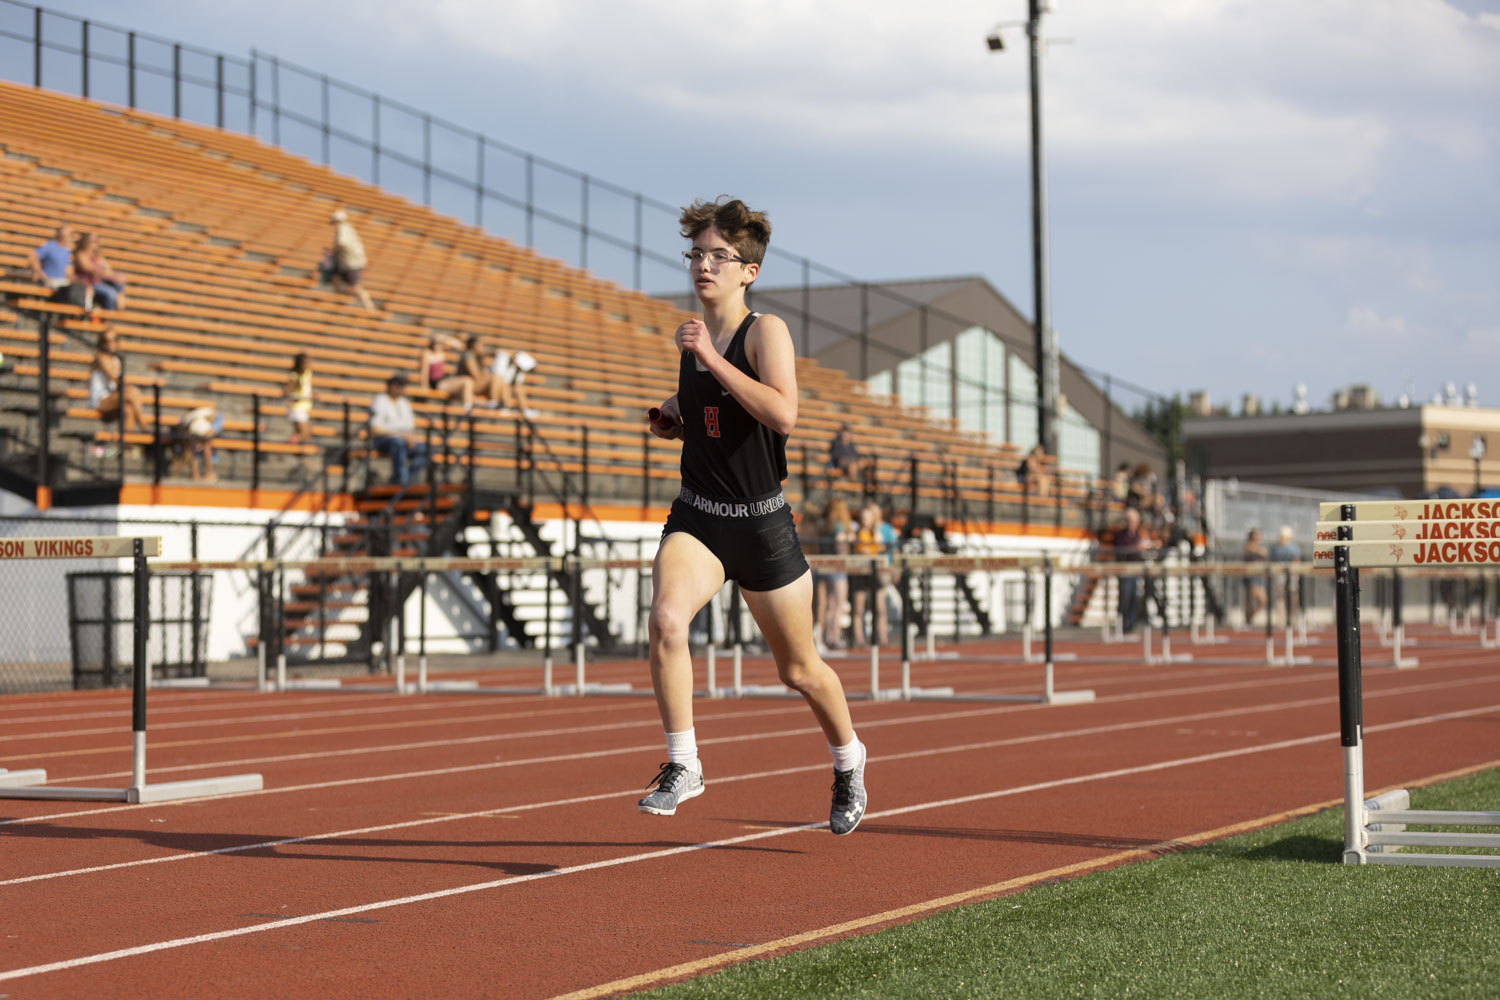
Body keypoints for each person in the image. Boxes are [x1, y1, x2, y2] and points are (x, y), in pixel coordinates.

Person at [640, 196, 867, 835]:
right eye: (697, 254)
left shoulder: (764, 331)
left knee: (798, 670)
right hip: (700, 518)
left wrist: (710, 362)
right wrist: (674, 417)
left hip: (762, 525)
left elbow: (782, 413)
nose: (704, 265)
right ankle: (684, 763)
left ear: (749, 271)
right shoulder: (692, 338)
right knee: (665, 618)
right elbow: (710, 408)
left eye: (720, 256)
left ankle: (849, 760)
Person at [368, 372, 427, 485]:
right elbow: (375, 429)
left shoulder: (404, 403)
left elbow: (410, 428)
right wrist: (401, 435)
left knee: (426, 449)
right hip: (384, 440)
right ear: (391, 386)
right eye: (399, 385)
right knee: (398, 443)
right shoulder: (380, 400)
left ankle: (408, 480)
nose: (402, 389)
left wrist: (411, 437)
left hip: (403, 440)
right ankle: (401, 481)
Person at [849, 501, 893, 648]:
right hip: (861, 572)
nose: (865, 520)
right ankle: (859, 640)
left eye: (867, 517)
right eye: (863, 517)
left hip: (875, 573)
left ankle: (883, 638)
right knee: (858, 608)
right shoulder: (858, 534)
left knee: (880, 608)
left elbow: (879, 550)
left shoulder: (876, 533)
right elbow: (862, 551)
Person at [86, 328, 145, 434]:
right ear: (101, 343)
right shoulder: (101, 357)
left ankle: (127, 447)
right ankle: (145, 429)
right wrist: (130, 389)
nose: (110, 344)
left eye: (113, 340)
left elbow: (117, 382)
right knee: (132, 393)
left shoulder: (116, 359)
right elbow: (114, 377)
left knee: (128, 409)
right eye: (106, 341)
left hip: (112, 398)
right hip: (100, 400)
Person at [818, 496, 855, 649]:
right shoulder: (839, 526)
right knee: (839, 603)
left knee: (829, 605)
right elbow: (841, 547)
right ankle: (834, 636)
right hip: (837, 568)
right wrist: (848, 542)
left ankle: (827, 636)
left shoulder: (824, 525)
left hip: (824, 567)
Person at [1113, 507, 1153, 633]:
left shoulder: (1138, 535)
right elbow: (1121, 550)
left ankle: (1131, 623)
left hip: (1135, 571)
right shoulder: (1120, 535)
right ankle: (1123, 624)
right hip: (1124, 571)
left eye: (1135, 522)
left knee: (1133, 598)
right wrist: (1136, 547)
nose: (1133, 524)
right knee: (1124, 597)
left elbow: (1138, 553)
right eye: (1130, 521)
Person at [328, 210, 375, 312]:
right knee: (336, 279)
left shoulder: (343, 228)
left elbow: (342, 243)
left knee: (356, 287)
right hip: (349, 263)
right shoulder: (349, 229)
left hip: (350, 263)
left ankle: (369, 308)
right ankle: (342, 301)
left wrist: (333, 251)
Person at [417, 333, 476, 412]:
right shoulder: (427, 353)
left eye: (439, 343)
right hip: (436, 383)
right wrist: (424, 387)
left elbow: (460, 345)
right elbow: (424, 372)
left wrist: (443, 337)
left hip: (443, 380)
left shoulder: (441, 352)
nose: (437, 345)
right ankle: (468, 410)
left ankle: (469, 408)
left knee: (468, 387)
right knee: (467, 382)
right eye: (435, 343)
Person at [72, 232, 126, 311]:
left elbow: (108, 269)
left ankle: (120, 302)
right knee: (110, 293)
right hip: (87, 284)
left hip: (97, 282)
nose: (94, 244)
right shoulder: (81, 255)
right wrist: (110, 276)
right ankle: (107, 318)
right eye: (92, 241)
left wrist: (115, 276)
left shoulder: (98, 256)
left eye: (96, 241)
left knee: (118, 284)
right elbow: (90, 269)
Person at [172, 405, 220, 483]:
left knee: (202, 447)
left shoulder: (204, 415)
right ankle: (196, 474)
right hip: (191, 434)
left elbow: (214, 418)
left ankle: (206, 474)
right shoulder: (193, 418)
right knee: (190, 450)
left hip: (196, 433)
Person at [489, 346, 539, 418]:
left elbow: (516, 384)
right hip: (493, 386)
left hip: (503, 386)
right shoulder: (502, 359)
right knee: (502, 383)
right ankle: (500, 404)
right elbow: (500, 378)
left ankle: (524, 410)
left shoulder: (518, 370)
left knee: (518, 389)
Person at [285, 353, 315, 465]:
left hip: (303, 407)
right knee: (303, 433)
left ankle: (301, 455)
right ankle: (288, 447)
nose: (309, 364)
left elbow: (307, 389)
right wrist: (293, 398)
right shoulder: (295, 376)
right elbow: (287, 391)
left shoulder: (307, 374)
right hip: (297, 408)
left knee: (305, 434)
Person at [30, 223, 75, 290]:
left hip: (62, 281)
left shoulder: (66, 251)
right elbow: (32, 258)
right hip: (50, 281)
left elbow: (67, 269)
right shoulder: (50, 246)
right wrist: (43, 276)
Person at [1241, 527, 1269, 626]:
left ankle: (1249, 620)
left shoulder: (1258, 547)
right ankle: (1247, 621)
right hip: (1251, 577)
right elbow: (1256, 551)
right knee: (1250, 601)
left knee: (1263, 601)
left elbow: (1265, 554)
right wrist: (1260, 551)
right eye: (1256, 536)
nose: (1258, 538)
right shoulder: (1248, 546)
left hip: (1259, 577)